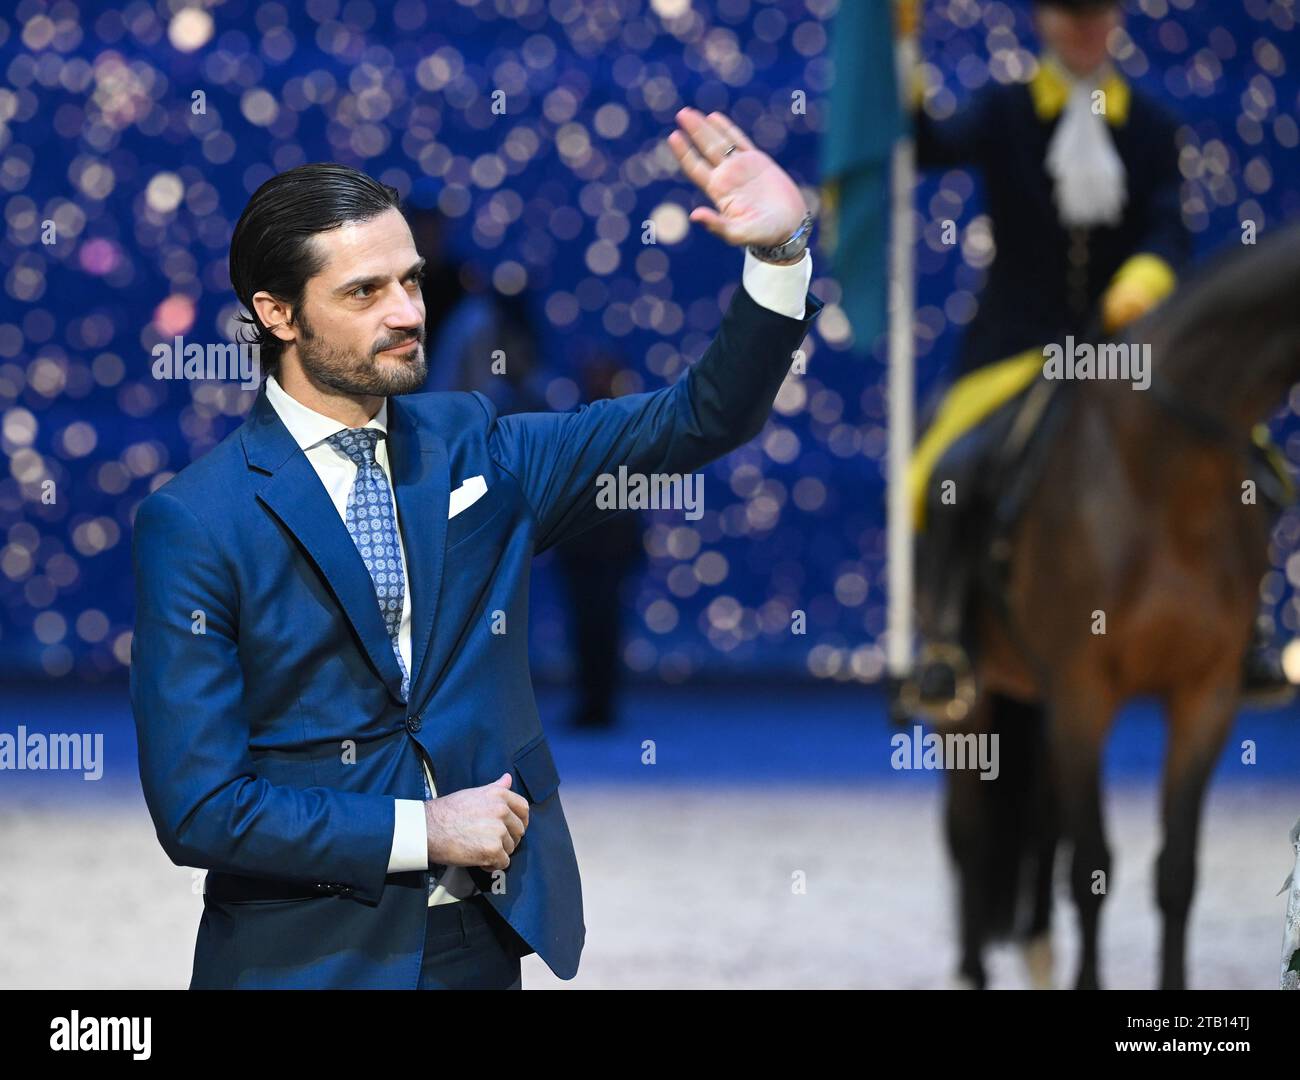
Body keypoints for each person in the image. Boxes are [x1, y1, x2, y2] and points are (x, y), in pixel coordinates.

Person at [129, 109, 822, 989]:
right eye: (364, 292)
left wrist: (780, 258)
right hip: (302, 959)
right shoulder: (197, 519)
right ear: (277, 314)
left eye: (411, 283)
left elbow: (695, 418)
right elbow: (199, 808)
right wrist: (428, 827)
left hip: (480, 948)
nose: (407, 313)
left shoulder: (474, 447)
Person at [907, 0, 1290, 709]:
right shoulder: (1003, 110)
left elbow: (1168, 228)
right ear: (1044, 22)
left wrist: (1141, 285)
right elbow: (925, 145)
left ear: (1114, 23)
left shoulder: (1151, 125)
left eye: (1096, 15)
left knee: (1251, 468)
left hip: (1124, 349)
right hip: (1017, 350)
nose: (1084, 30)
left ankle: (1248, 632)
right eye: (1069, 14)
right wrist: (900, 60)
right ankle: (949, 641)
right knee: (947, 469)